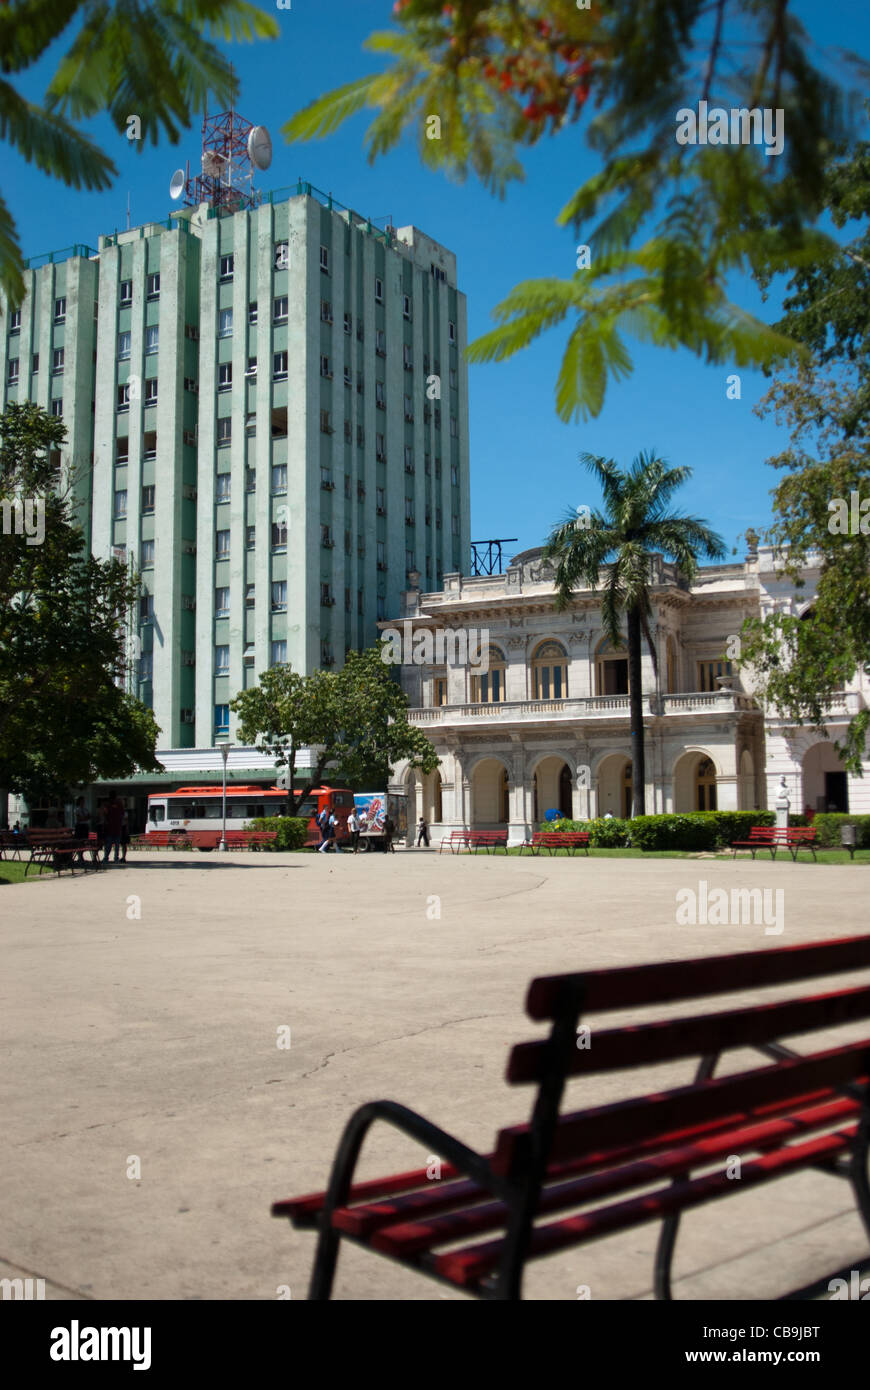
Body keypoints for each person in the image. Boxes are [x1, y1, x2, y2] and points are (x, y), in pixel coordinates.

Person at [103, 792, 125, 864]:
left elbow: (105, 814)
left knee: (108, 845)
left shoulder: (107, 805)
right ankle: (115, 858)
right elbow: (122, 814)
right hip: (117, 827)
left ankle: (106, 858)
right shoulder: (119, 804)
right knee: (117, 845)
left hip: (110, 827)